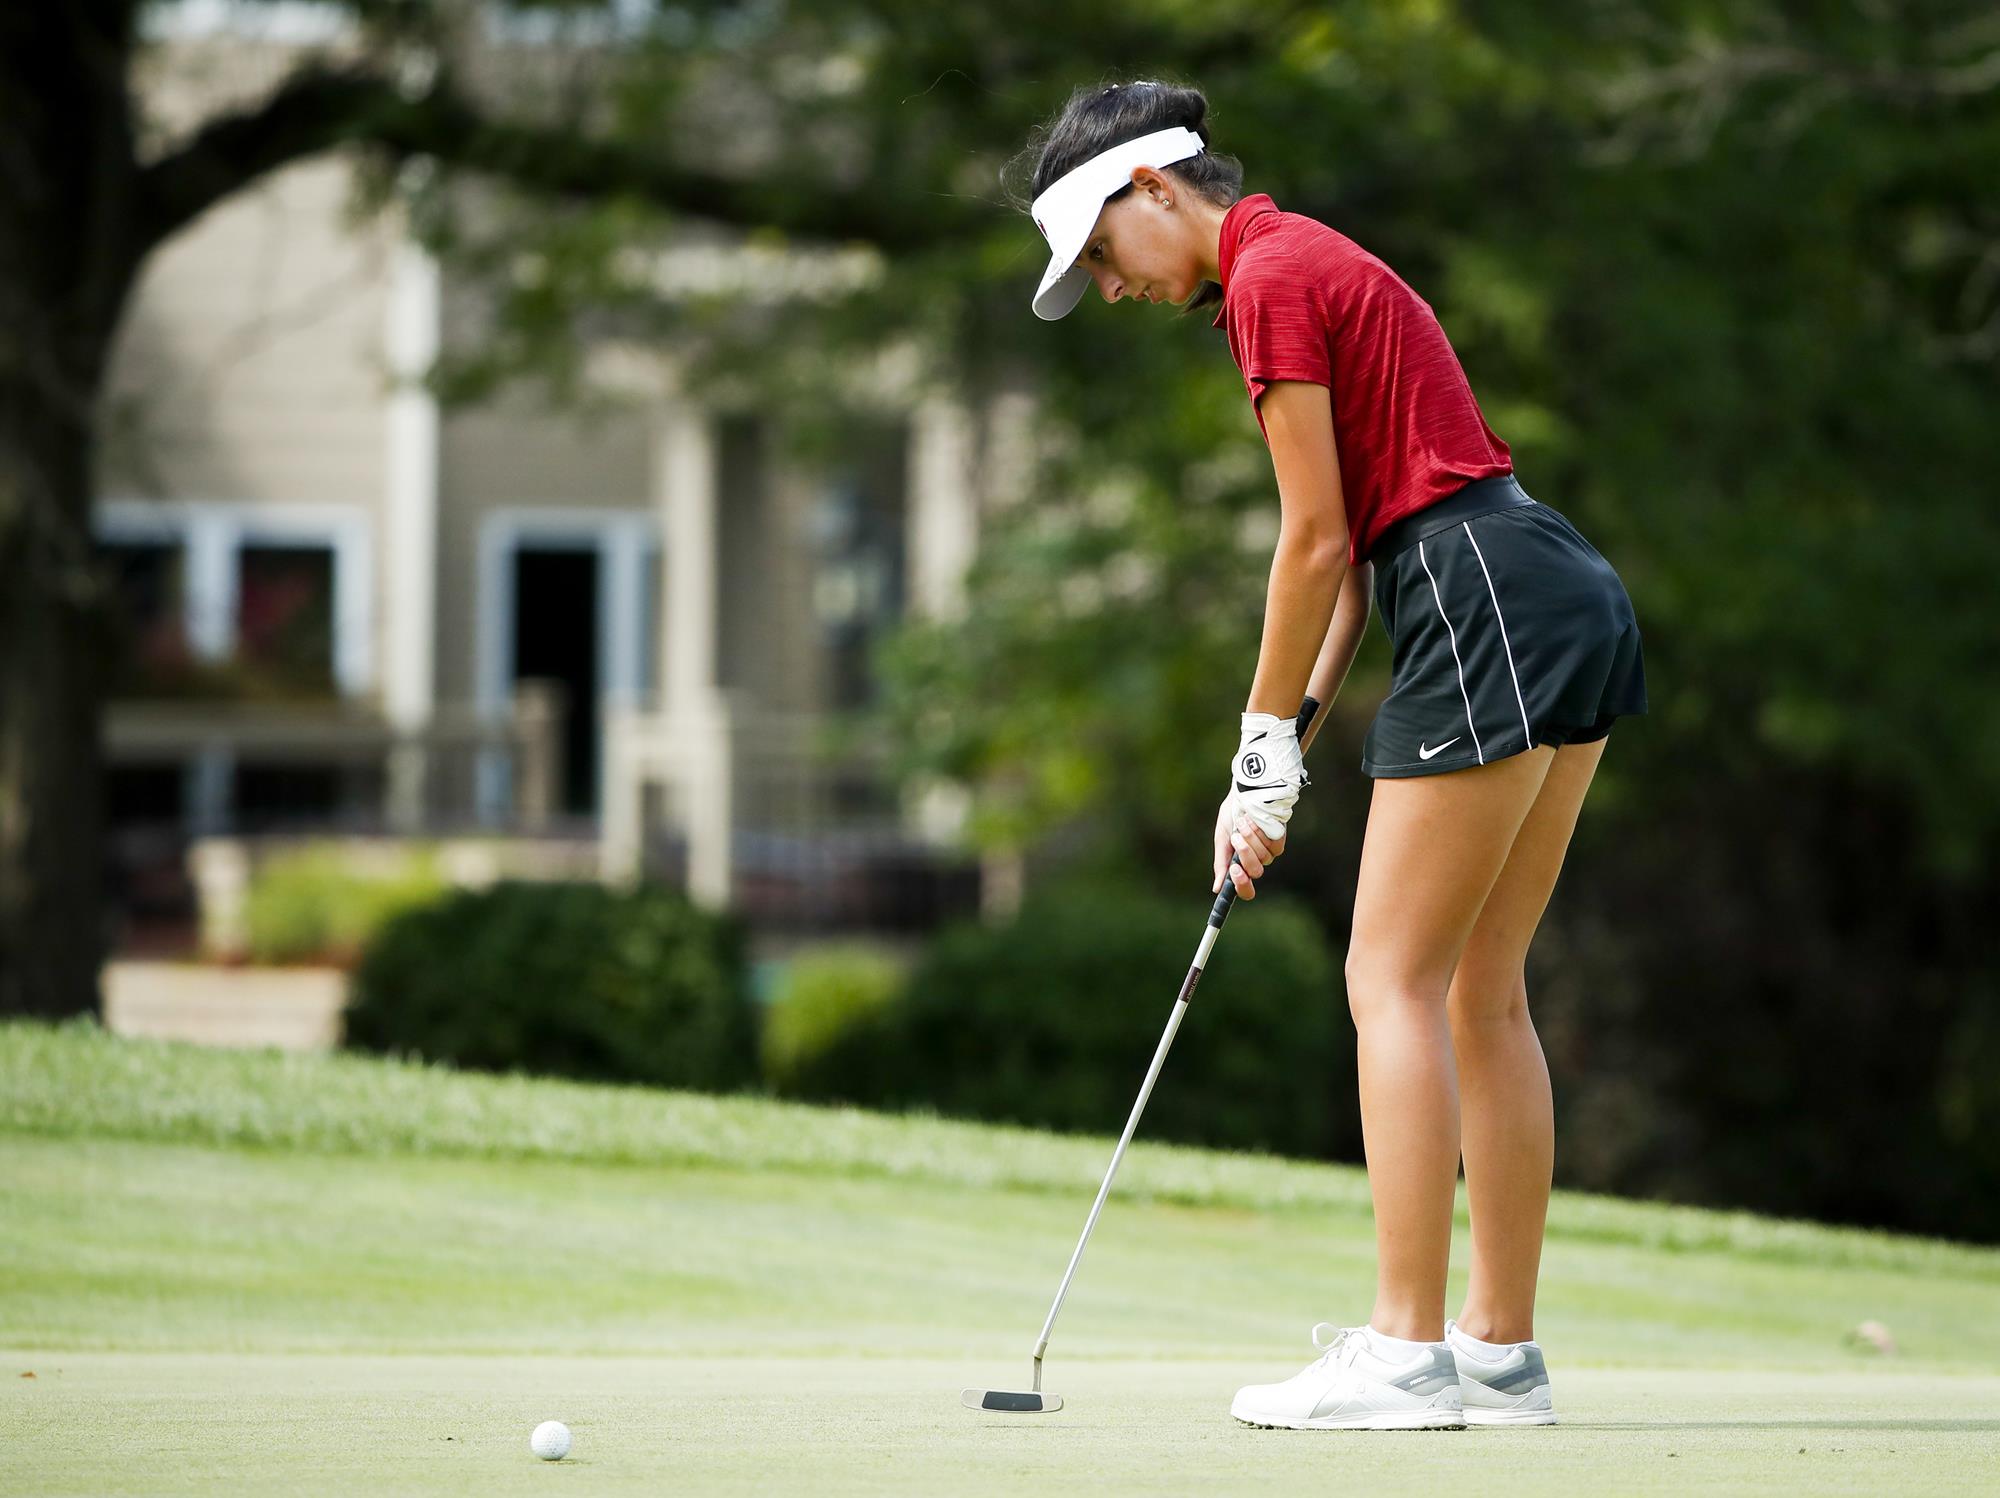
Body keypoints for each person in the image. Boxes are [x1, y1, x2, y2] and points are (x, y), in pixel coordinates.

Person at [1018, 80, 1647, 1430]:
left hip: (1480, 586)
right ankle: (1498, 1351)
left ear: (1151, 191)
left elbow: (1308, 543)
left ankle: (1407, 1353)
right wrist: (1279, 757)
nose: (1112, 292)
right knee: (1481, 981)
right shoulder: (1299, 263)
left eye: (1101, 257)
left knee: (1389, 976)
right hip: (1549, 583)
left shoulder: (1270, 277)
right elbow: (1353, 572)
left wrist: (1248, 744)